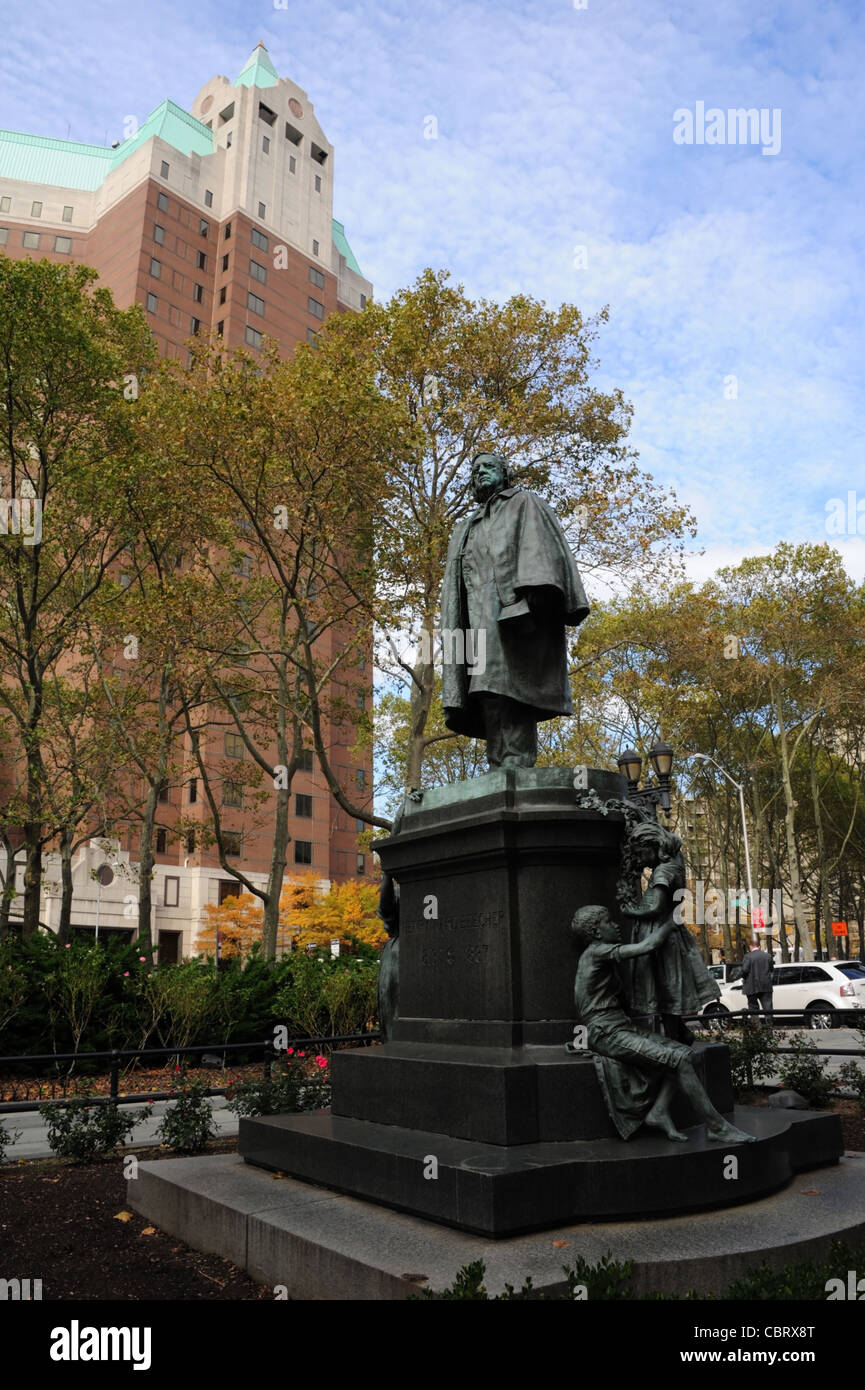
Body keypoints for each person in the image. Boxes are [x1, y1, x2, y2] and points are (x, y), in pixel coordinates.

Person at [440, 452, 589, 769]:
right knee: (485, 688)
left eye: (488, 467)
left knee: (507, 684)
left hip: (514, 612)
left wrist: (530, 603)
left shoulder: (524, 503)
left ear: (505, 474)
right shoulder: (468, 526)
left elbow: (541, 553)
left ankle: (516, 760)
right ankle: (499, 762)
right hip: (475, 618)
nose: (480, 472)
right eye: (475, 469)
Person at [570, 904, 754, 1145]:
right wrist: (670, 922)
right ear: (595, 932)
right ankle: (717, 1127)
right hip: (606, 1032)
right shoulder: (597, 952)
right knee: (679, 1059)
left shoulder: (600, 957)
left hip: (619, 1026)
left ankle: (658, 1111)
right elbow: (647, 946)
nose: (616, 925)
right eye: (608, 921)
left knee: (687, 1055)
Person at [619, 821, 721, 1044]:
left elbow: (655, 905)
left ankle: (674, 1040)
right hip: (671, 931)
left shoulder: (663, 871)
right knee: (667, 988)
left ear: (653, 846)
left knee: (666, 986)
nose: (640, 859)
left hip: (660, 934)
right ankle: (679, 1034)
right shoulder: (675, 861)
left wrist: (630, 910)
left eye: (641, 853)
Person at [740, 939, 774, 1023]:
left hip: (751, 986)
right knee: (768, 1009)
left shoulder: (748, 956)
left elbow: (744, 970)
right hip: (766, 986)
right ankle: (769, 1029)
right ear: (759, 946)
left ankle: (757, 1029)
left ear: (750, 946)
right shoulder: (768, 956)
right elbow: (771, 970)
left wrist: (744, 978)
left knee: (753, 1009)